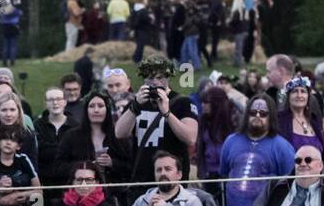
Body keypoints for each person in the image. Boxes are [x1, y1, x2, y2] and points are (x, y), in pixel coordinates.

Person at [114, 55, 198, 186]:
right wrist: (135, 106)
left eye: (159, 78)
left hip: (172, 182)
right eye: (150, 78)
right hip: (141, 180)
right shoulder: (136, 103)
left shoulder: (183, 102)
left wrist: (167, 112)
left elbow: (190, 138)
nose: (155, 83)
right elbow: (119, 133)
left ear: (168, 78)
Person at [54, 91, 122, 190]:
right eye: (91, 106)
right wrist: (84, 166)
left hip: (112, 193)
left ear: (107, 109)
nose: (96, 110)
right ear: (86, 110)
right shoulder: (71, 136)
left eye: (100, 106)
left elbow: (130, 166)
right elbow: (58, 167)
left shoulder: (118, 135)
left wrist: (112, 163)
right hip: (80, 191)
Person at [34, 88, 76, 190]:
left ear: (65, 102)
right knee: (36, 205)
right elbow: (39, 151)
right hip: (43, 182)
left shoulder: (76, 125)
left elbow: (76, 153)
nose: (55, 103)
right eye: (51, 100)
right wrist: (65, 148)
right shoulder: (37, 125)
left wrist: (49, 148)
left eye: (58, 99)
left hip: (69, 181)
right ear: (46, 103)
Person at [194, 85, 237, 182]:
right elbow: (200, 148)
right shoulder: (203, 121)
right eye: (202, 102)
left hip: (230, 173)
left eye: (206, 102)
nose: (203, 105)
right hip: (209, 173)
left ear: (216, 103)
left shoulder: (232, 121)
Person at [277, 75, 324, 161]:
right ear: (288, 96)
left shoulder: (314, 120)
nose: (299, 95)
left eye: (303, 91)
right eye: (295, 91)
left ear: (308, 96)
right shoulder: (280, 120)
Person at [202, 0, 226, 67]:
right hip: (216, 24)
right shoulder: (216, 0)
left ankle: (214, 54)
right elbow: (213, 10)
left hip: (215, 23)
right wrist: (217, 20)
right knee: (215, 39)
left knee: (215, 40)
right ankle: (213, 55)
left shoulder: (217, 0)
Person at [0, 0, 22, 65]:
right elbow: (20, 13)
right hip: (14, 26)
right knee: (13, 45)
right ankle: (12, 61)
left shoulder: (3, 9)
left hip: (5, 27)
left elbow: (0, 15)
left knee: (5, 45)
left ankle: (4, 62)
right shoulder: (15, 9)